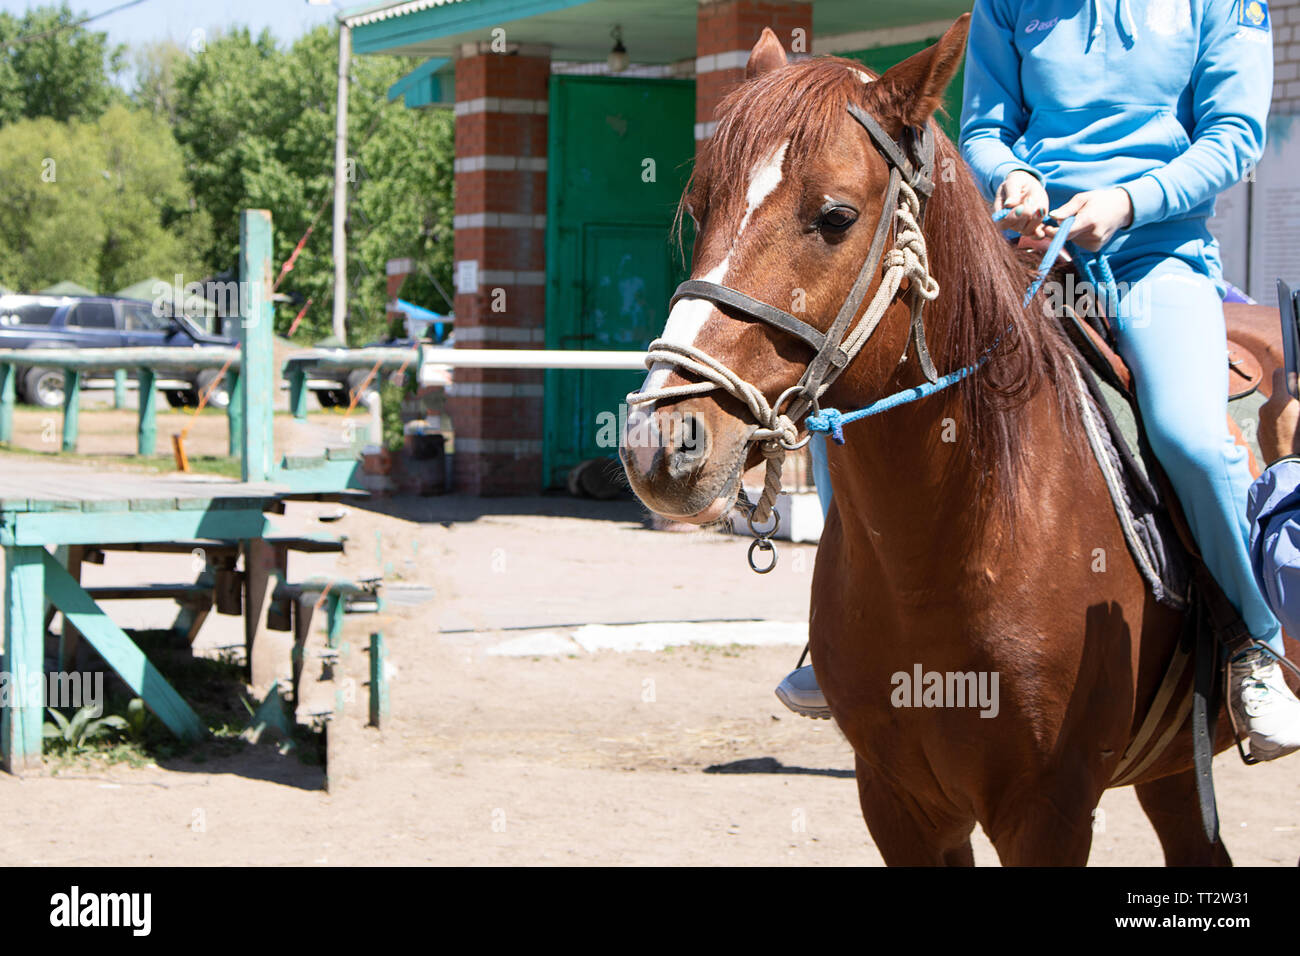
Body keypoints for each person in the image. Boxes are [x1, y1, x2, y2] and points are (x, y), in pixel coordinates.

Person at [776, 0, 1300, 761]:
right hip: (1021, 249)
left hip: (1155, 258)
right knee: (857, 398)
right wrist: (1014, 176)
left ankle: (1252, 647)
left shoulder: (1220, 6)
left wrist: (1127, 202)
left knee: (1189, 436)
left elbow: (1233, 138)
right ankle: (845, 638)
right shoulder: (1011, 5)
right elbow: (986, 126)